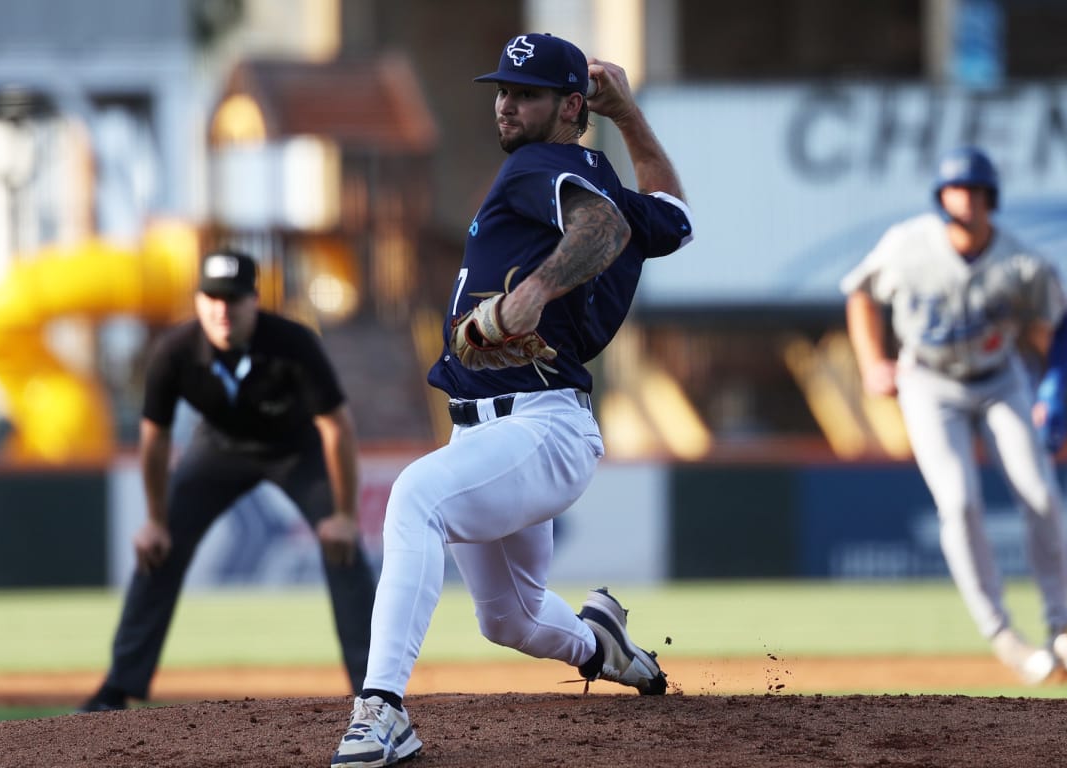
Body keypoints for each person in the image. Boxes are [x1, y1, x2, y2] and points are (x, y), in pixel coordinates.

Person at [330, 33, 693, 767]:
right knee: (512, 618)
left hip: (542, 423)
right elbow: (672, 215)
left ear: (568, 107)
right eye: (503, 90)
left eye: (525, 94)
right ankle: (604, 645)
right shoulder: (588, 174)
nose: (506, 104)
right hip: (499, 436)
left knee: (415, 499)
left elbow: (607, 225)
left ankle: (383, 708)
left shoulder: (542, 165)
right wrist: (628, 116)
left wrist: (533, 291)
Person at [841, 146, 1067, 686]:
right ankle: (1004, 637)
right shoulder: (909, 245)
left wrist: (1052, 386)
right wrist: (871, 362)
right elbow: (860, 294)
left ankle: (1062, 627)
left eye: (976, 191)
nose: (966, 200)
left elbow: (1064, 316)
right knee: (958, 503)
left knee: (1041, 492)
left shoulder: (1018, 261)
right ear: (941, 198)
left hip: (1001, 378)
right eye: (957, 190)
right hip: (928, 382)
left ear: (990, 200)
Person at [79, 249, 377, 712]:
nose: (223, 310)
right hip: (219, 449)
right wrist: (155, 519)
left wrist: (343, 515)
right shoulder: (174, 351)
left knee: (345, 549)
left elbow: (336, 425)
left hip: (293, 450)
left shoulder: (293, 342)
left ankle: (375, 689)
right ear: (198, 301)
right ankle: (118, 687)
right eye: (212, 298)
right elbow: (154, 437)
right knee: (159, 548)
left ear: (254, 301)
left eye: (234, 299)